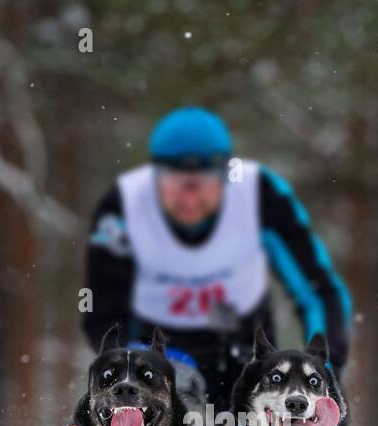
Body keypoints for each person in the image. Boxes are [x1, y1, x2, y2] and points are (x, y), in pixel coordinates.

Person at [83, 106, 351, 409]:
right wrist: (135, 369)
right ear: (155, 178)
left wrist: (326, 373)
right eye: (177, 185)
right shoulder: (122, 205)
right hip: (155, 348)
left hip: (242, 349)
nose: (190, 200)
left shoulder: (262, 195)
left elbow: (318, 292)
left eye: (202, 186)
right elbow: (101, 313)